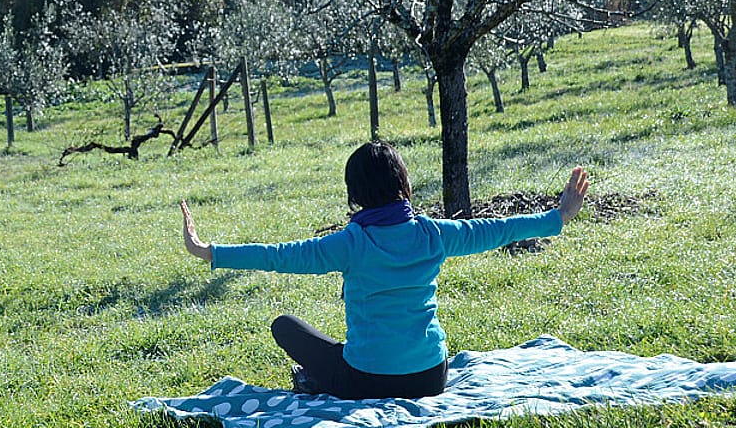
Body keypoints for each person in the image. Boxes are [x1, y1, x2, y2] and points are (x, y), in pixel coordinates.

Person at [180, 140, 589, 401]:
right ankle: (323, 378)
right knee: (342, 349)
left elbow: (279, 255)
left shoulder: (349, 244)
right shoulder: (434, 234)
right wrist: (558, 216)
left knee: (285, 326)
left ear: (355, 194)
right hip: (432, 378)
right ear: (403, 184)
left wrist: (208, 251)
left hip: (367, 381)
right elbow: (498, 229)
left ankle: (321, 382)